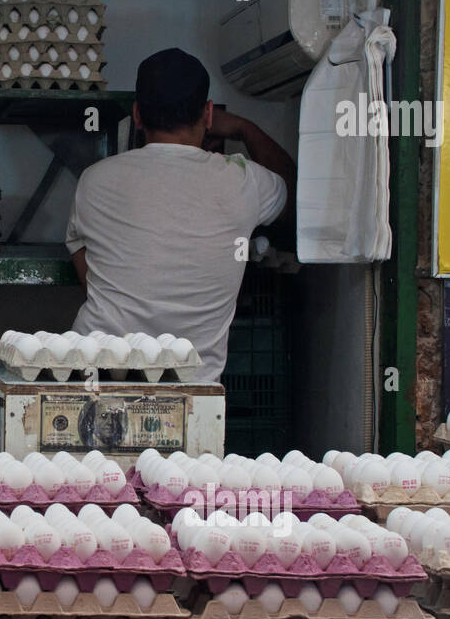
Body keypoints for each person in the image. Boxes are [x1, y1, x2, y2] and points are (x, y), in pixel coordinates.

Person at [65, 48, 296, 383]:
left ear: (137, 115)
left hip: (96, 378)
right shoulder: (244, 181)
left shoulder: (95, 179)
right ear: (208, 113)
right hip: (189, 394)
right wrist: (245, 129)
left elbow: (82, 258)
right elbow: (295, 194)